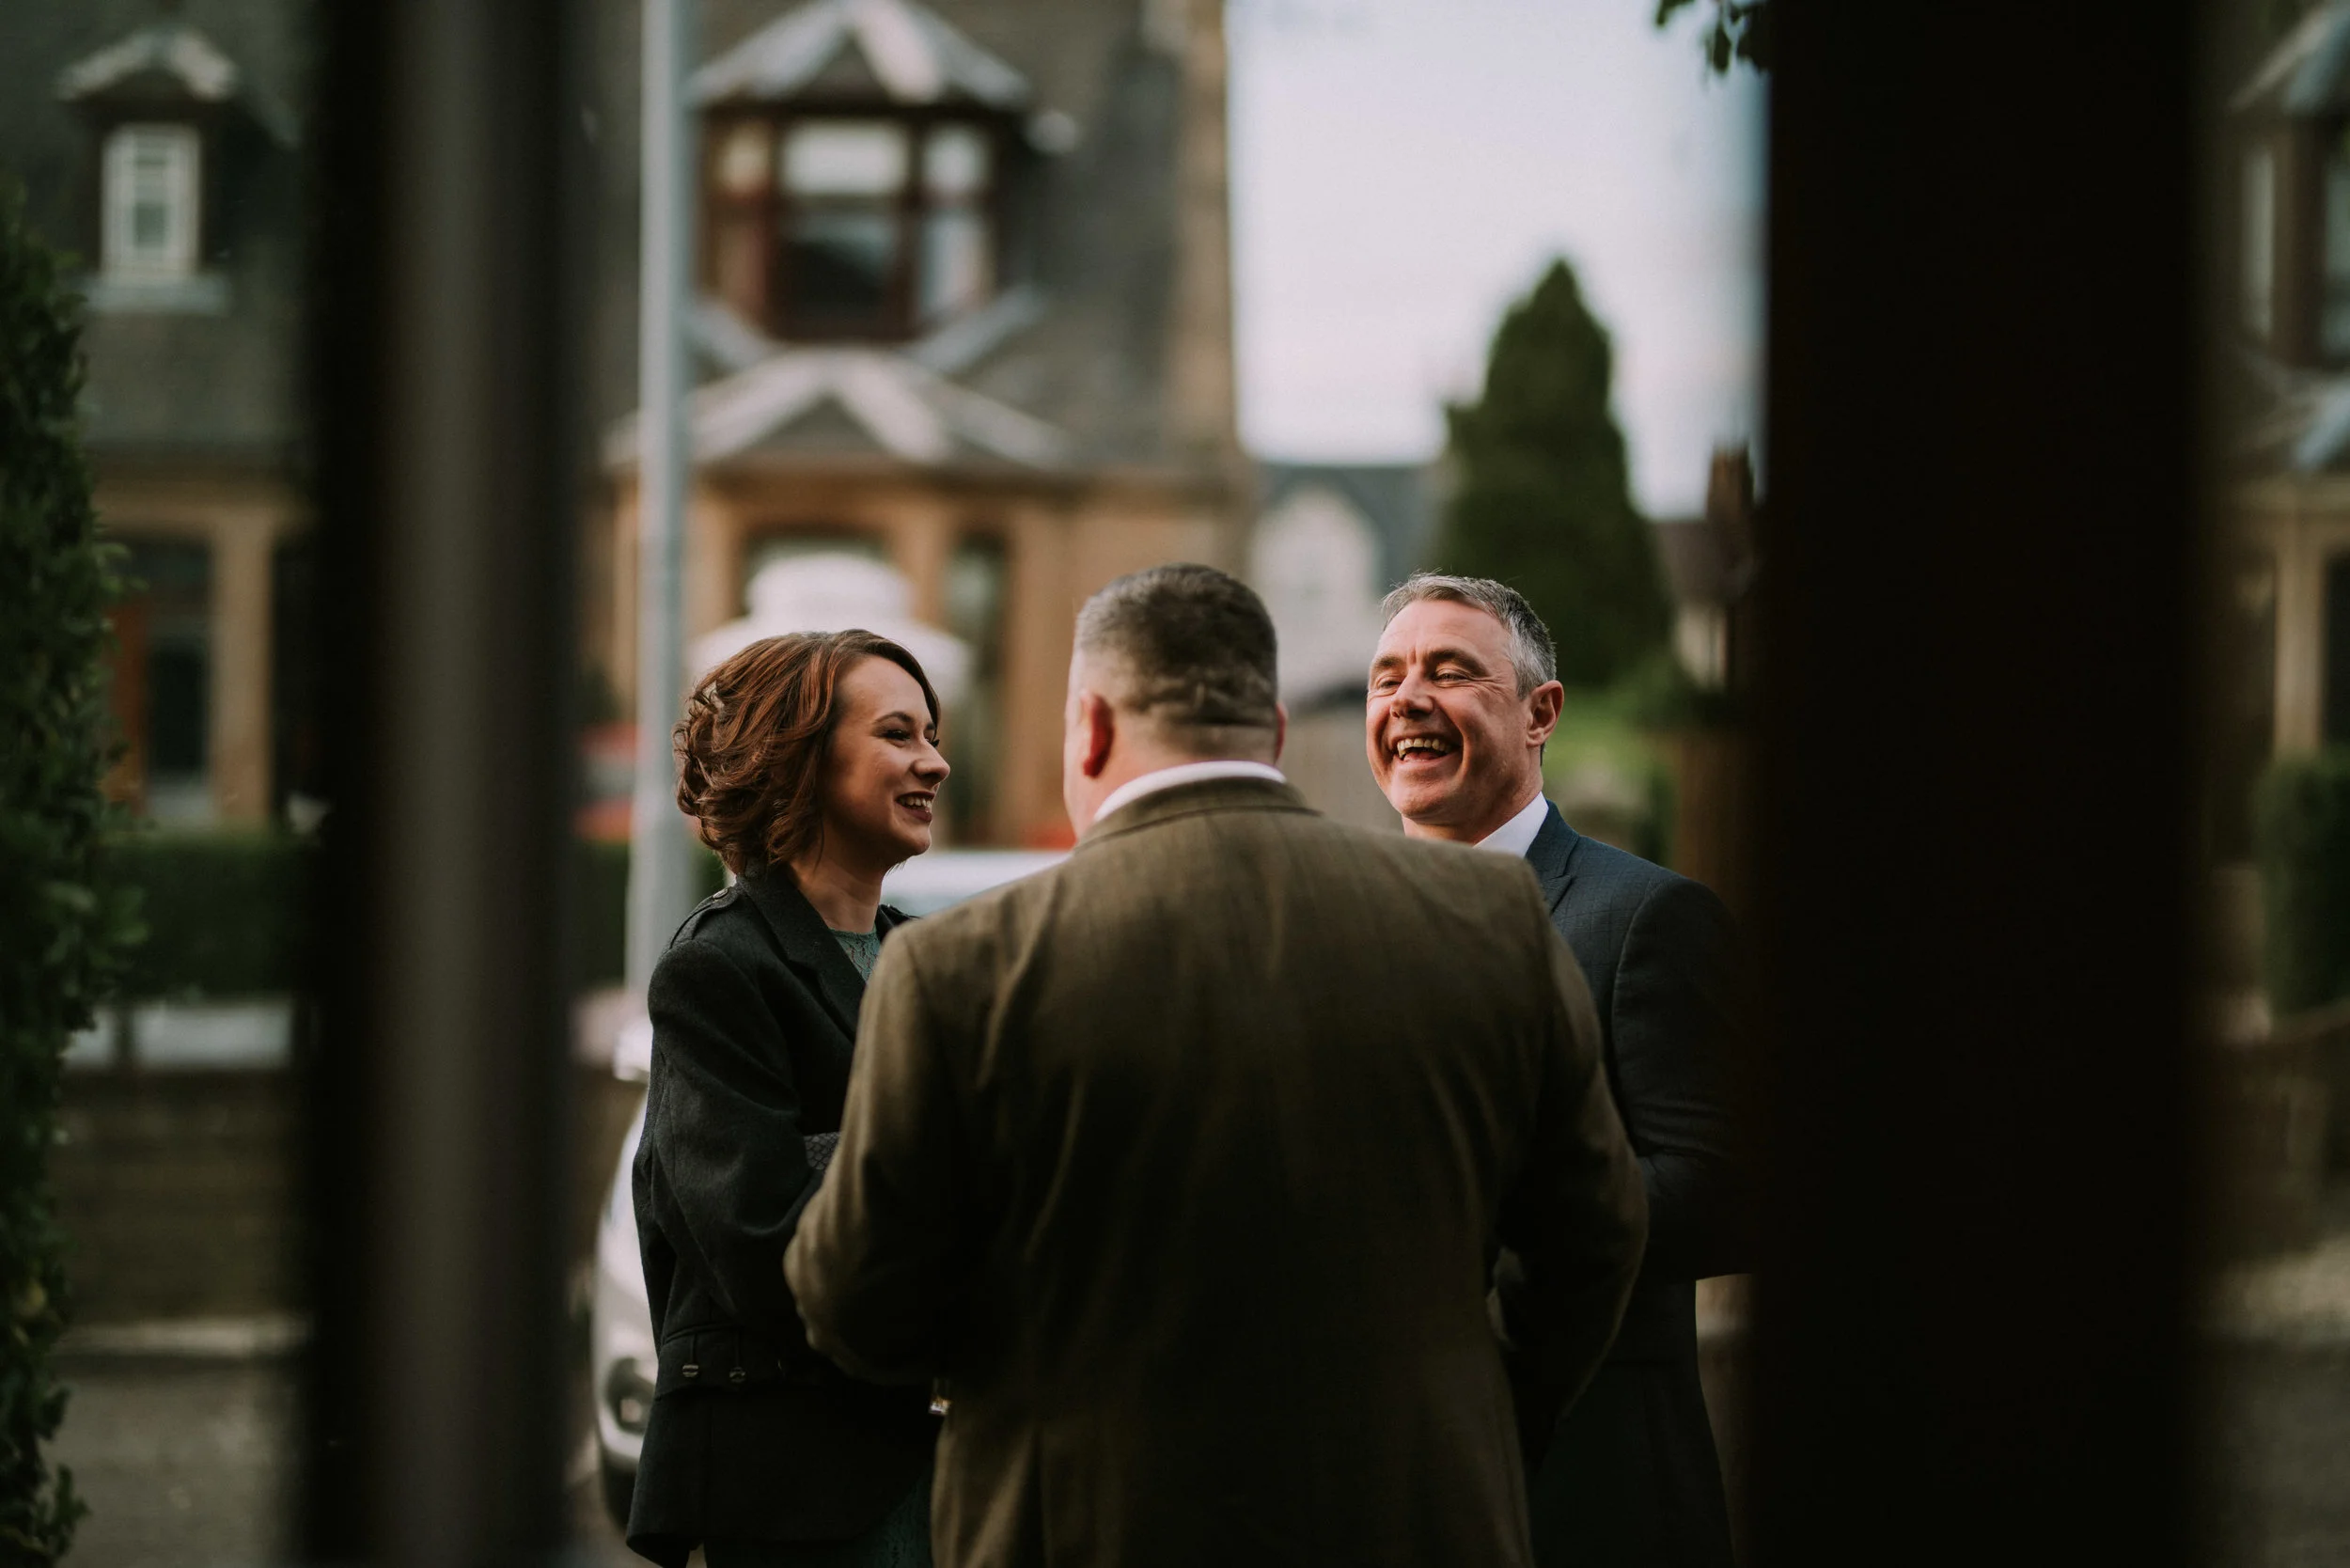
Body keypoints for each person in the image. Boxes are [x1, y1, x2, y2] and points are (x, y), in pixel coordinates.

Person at [784, 563, 1647, 1568]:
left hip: (1085, 1525)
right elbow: (1597, 1230)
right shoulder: (1491, 919)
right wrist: (1475, 1401)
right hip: (1413, 1516)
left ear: (1092, 729)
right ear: (1272, 733)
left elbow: (854, 1297)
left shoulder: (957, 966)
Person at [1366, 572, 1747, 1568]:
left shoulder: (1645, 919)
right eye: (1387, 677)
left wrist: (1469, 1199)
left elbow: (1723, 1190)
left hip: (1589, 1483)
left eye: (1449, 672)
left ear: (1541, 713)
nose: (1407, 698)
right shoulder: (1338, 929)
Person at [627, 630, 950, 1568]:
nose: (932, 758)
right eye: (897, 733)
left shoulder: (932, 958)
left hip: (955, 1478)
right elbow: (766, 1251)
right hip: (809, 1496)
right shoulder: (718, 968)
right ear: (800, 760)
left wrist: (838, 1155)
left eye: (930, 731)